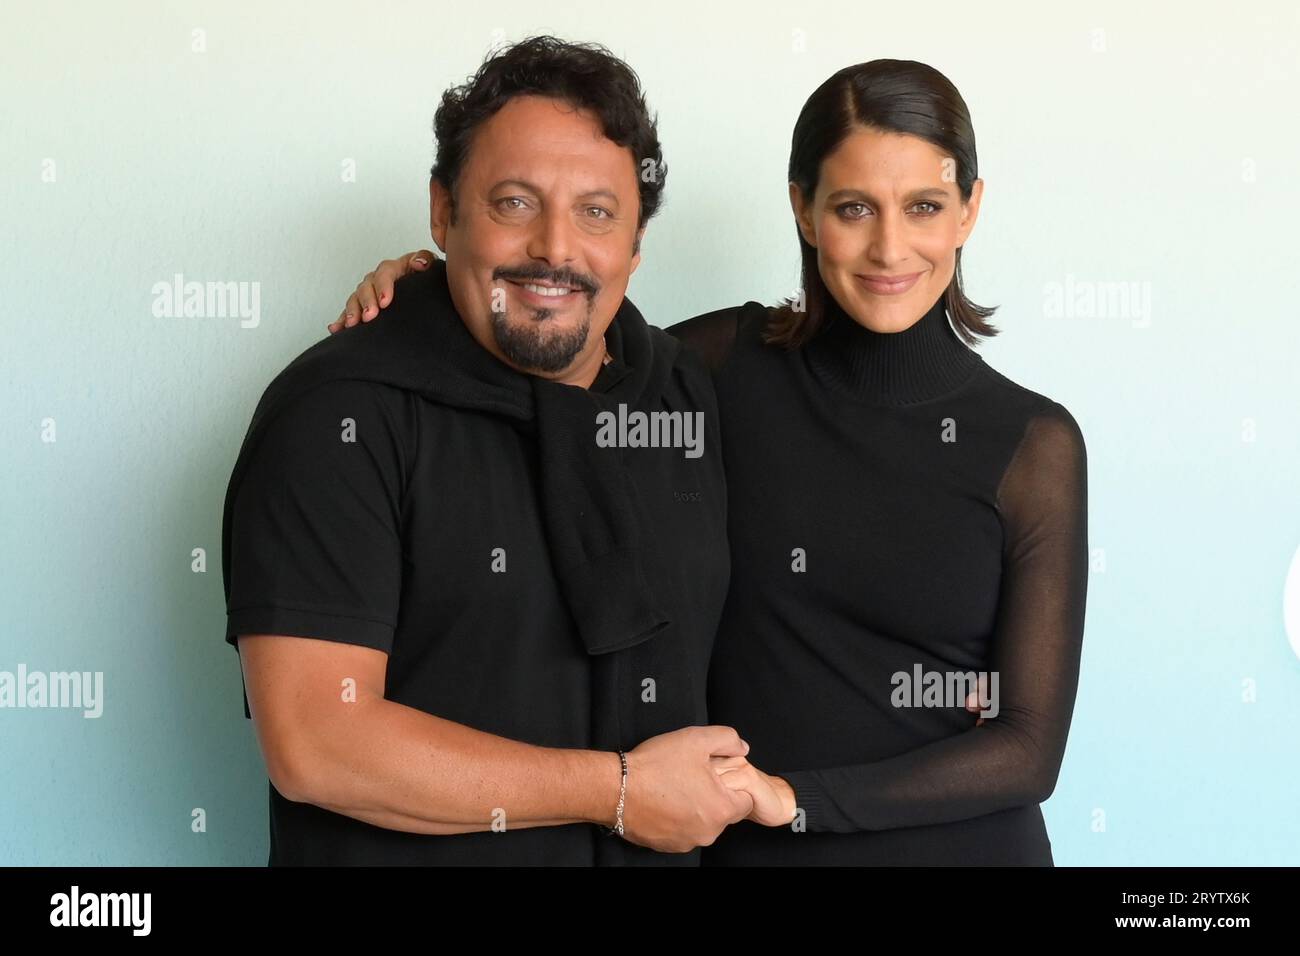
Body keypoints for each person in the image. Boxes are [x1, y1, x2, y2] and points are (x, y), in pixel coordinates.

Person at [341, 56, 1089, 865]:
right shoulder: (720, 368)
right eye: (852, 208)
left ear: (969, 210)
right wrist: (424, 288)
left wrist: (796, 800)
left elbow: (1027, 750)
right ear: (803, 210)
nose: (889, 247)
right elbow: (554, 336)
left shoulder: (1034, 444)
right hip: (729, 849)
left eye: (924, 207)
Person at [222, 36, 760, 866]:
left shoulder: (683, 394)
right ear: (443, 214)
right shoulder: (340, 416)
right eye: (514, 203)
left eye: (596, 212)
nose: (555, 248)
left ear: (636, 244)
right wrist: (616, 791)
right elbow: (317, 743)